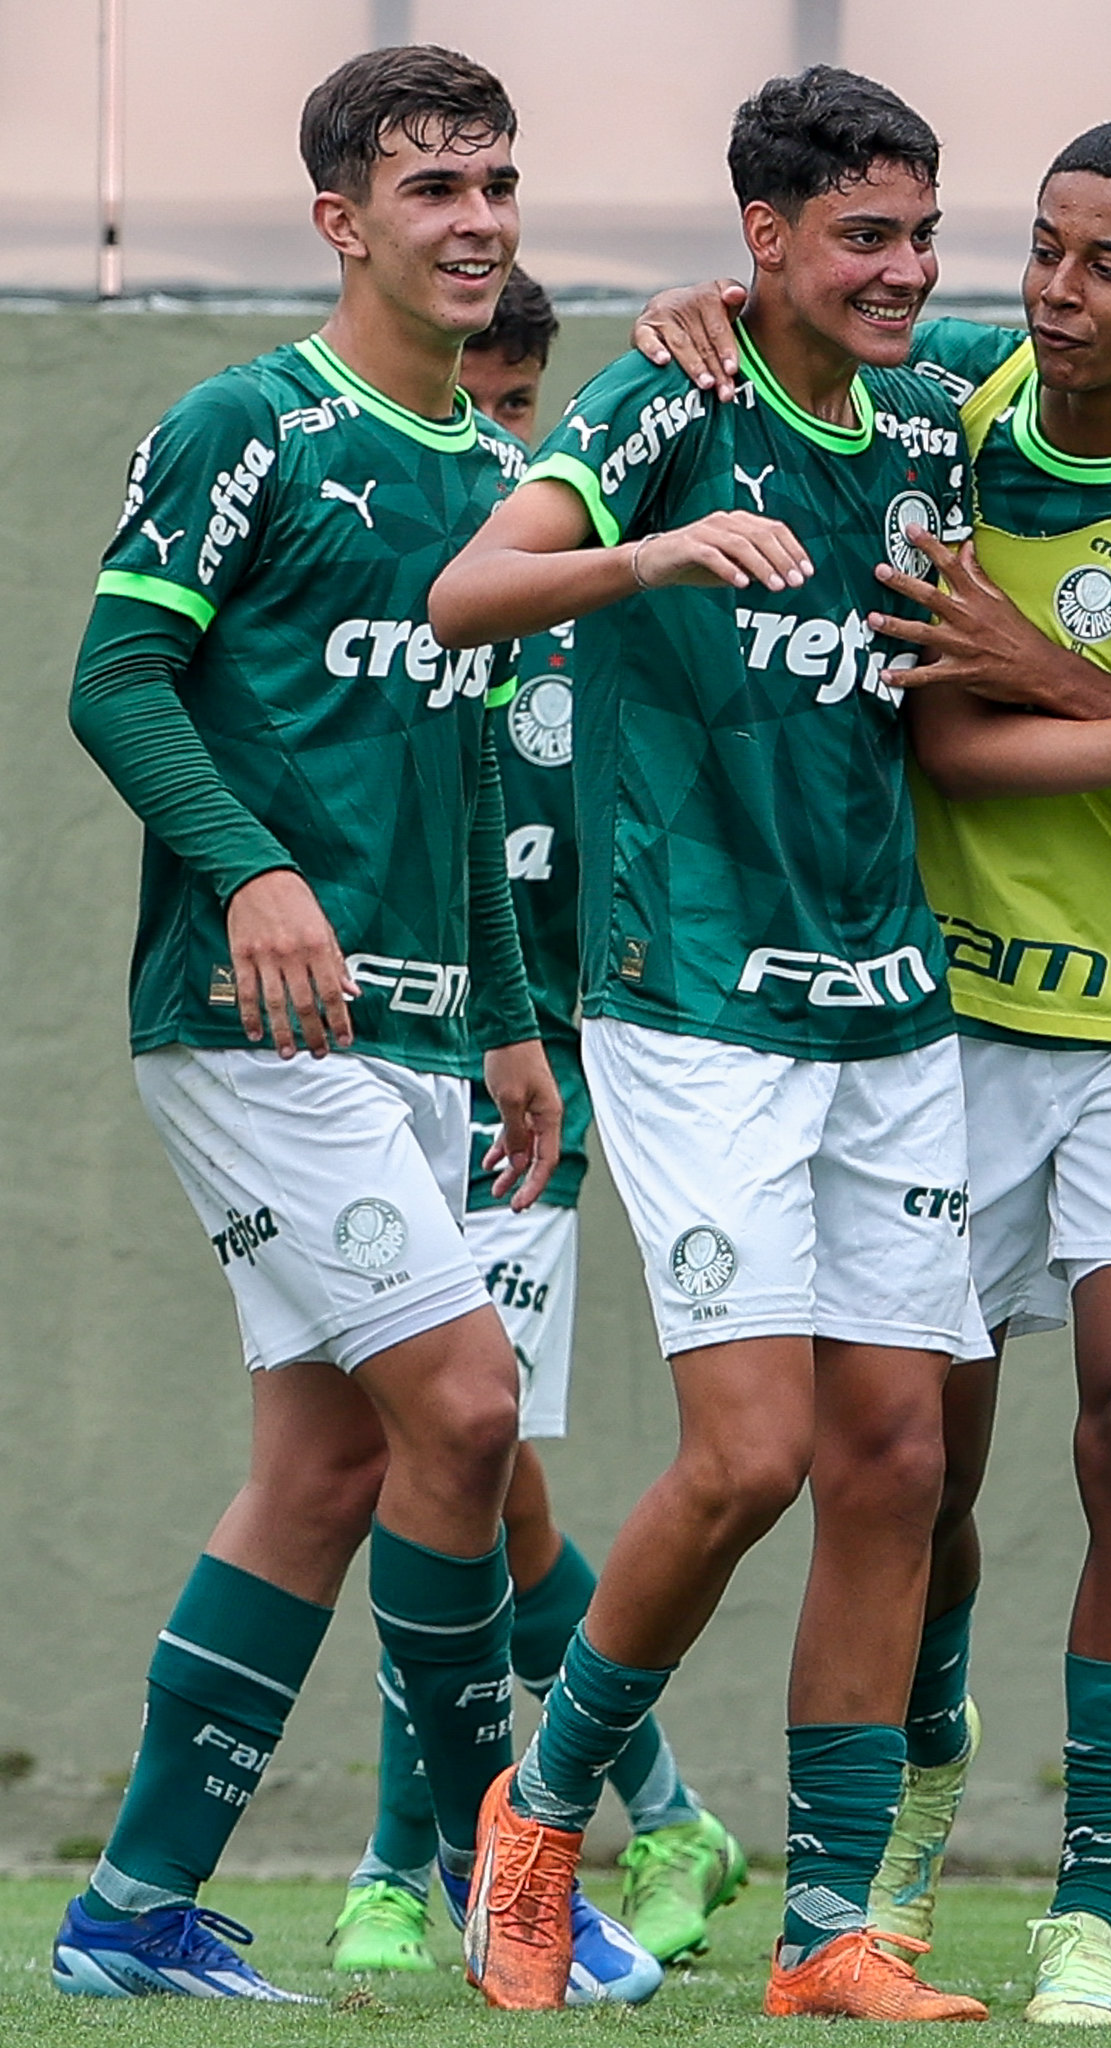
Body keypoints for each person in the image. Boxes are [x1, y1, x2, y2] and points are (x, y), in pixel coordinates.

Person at [431, 69, 1111, 2017]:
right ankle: (543, 1803)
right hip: (695, 1002)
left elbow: (958, 694)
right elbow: (469, 589)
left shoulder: (937, 420)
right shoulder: (666, 402)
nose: (915, 271)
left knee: (894, 1464)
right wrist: (653, 551)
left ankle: (829, 1925)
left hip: (898, 1010)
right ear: (766, 239)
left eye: (926, 235)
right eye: (866, 237)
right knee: (751, 1456)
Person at [51, 46, 562, 2003]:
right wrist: (253, 870)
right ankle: (506, 1883)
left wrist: (509, 1020)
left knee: (327, 1472)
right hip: (249, 1017)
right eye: (434, 188)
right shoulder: (244, 422)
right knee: (471, 1407)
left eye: (494, 183)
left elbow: (464, 776)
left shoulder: (490, 480)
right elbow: (117, 678)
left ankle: (131, 1912)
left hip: (425, 1036)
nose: (475, 220)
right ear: (343, 219)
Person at [328, 267, 747, 1984]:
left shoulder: (591, 581)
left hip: (536, 1071)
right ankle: (670, 1810)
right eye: (470, 410)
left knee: (447, 1453)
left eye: (520, 410)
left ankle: (400, 1861)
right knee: (463, 1469)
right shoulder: (381, 577)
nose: (495, 443)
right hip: (382, 1053)